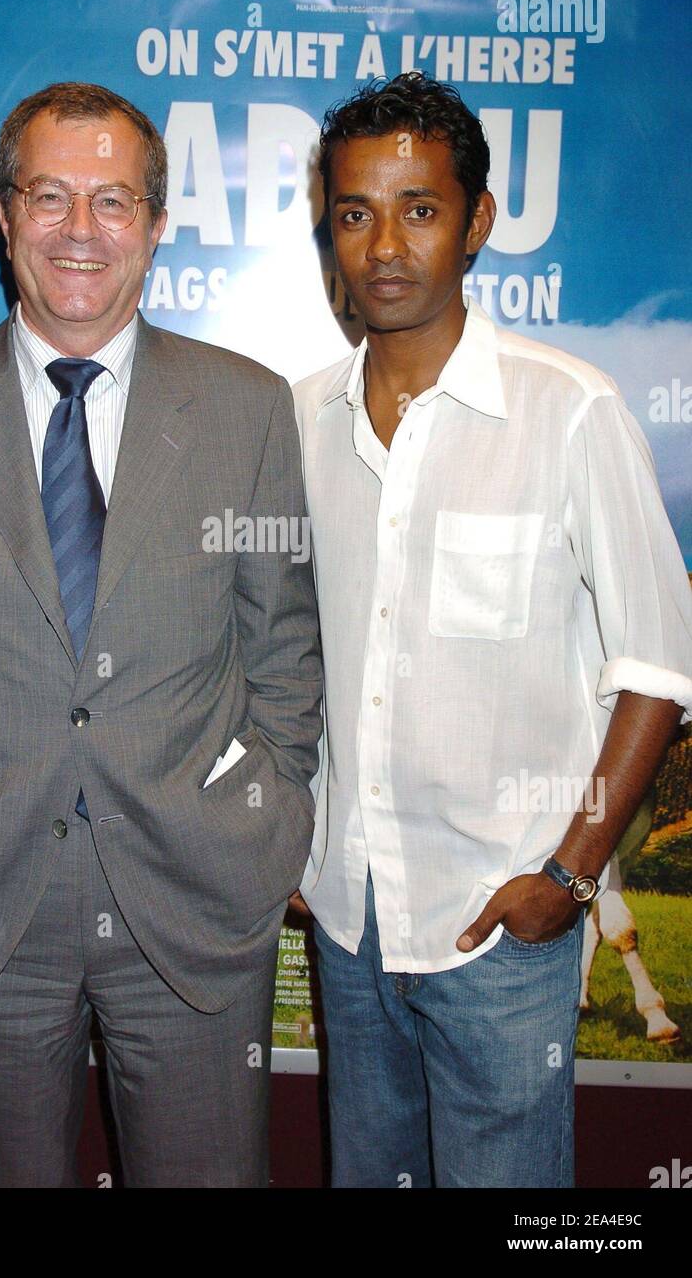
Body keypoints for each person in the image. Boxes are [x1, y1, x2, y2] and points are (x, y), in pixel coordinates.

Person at [0, 81, 322, 1188]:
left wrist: (265, 823)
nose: (80, 231)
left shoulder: (246, 407)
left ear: (156, 225)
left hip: (195, 898)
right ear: (4, 216)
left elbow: (286, 657)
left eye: (113, 200)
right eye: (49, 196)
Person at [291, 72, 692, 1188]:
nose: (382, 244)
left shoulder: (570, 412)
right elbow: (285, 653)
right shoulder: (301, 418)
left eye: (418, 208)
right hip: (349, 922)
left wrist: (564, 878)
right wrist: (299, 837)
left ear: (475, 221)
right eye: (354, 211)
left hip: (500, 926)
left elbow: (657, 669)